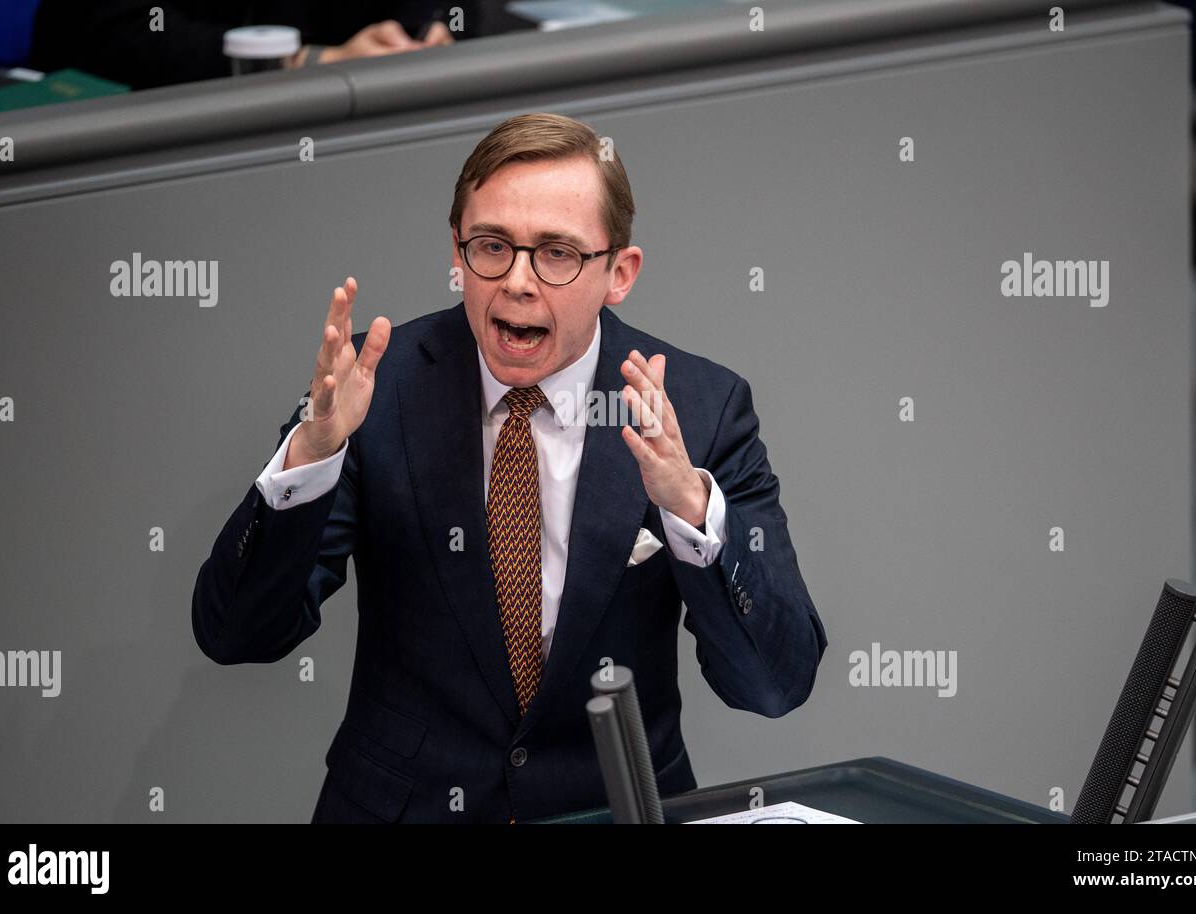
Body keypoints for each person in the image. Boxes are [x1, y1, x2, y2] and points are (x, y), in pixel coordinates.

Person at [191, 112, 827, 823]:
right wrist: (312, 452)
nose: (518, 283)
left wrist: (686, 505)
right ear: (457, 254)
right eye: (492, 246)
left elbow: (777, 682)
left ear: (619, 272)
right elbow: (237, 634)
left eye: (556, 254)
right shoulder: (380, 389)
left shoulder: (699, 410)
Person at [26, 0, 498, 90]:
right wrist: (303, 61)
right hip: (160, 126)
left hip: (351, 119)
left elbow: (450, 10)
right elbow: (109, 29)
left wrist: (426, 33)